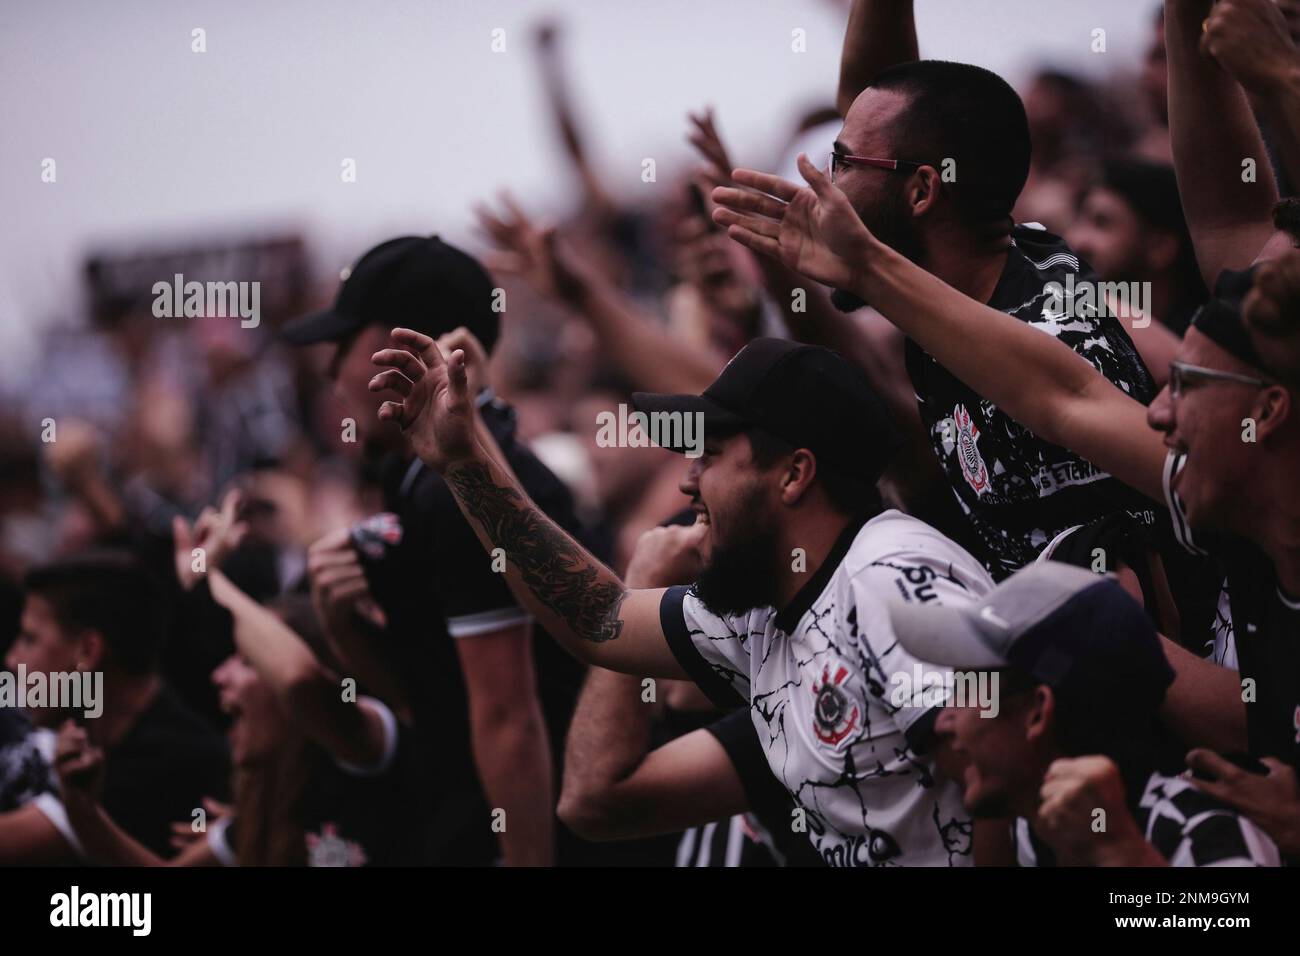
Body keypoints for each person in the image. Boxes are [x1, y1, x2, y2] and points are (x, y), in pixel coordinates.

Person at [709, 150, 1300, 859]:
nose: (943, 726)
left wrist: (1120, 855)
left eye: (1186, 385)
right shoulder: (1210, 509)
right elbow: (1061, 397)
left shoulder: (1190, 826)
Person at [371, 331, 999, 866]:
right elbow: (599, 618)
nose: (687, 481)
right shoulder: (768, 598)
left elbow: (996, 758)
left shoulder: (890, 578)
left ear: (794, 473)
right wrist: (463, 463)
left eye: (711, 455)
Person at [756, 55, 1161, 581]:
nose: (824, 192)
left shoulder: (1050, 332)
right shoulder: (989, 269)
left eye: (842, 165)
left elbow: (1123, 621)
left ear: (923, 191)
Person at [284, 235, 589, 866]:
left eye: (344, 343)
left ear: (407, 346)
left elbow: (511, 716)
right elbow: (432, 701)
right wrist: (344, 626)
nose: (329, 371)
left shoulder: (460, 489)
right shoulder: (425, 475)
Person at [888, 561, 1280, 867]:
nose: (944, 721)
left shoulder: (1208, 839)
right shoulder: (1034, 834)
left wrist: (1124, 856)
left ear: (1038, 714)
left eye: (971, 690)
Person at [2, 551, 229, 861]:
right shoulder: (81, 722)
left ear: (89, 650)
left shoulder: (179, 763)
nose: (12, 660)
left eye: (30, 639)